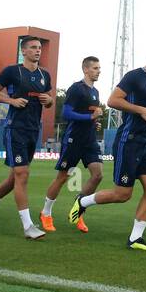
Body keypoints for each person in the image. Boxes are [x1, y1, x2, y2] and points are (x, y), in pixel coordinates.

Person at [68, 43, 146, 251]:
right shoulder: (133, 76)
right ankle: (83, 202)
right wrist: (142, 110)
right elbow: (112, 101)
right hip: (129, 140)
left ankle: (135, 239)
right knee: (122, 194)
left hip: (145, 141)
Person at [0, 36, 53, 239]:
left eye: (39, 48)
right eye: (33, 47)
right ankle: (28, 226)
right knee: (22, 174)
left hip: (33, 131)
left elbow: (48, 102)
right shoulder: (12, 71)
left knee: (14, 178)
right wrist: (11, 101)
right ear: (24, 51)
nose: (38, 51)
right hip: (15, 129)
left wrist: (49, 100)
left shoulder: (45, 75)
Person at [40, 56, 104, 233]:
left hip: (90, 139)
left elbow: (88, 115)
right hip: (74, 139)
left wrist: (94, 122)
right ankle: (45, 213)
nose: (99, 71)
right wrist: (89, 117)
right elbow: (67, 113)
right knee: (63, 178)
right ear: (86, 69)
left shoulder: (95, 92)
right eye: (95, 68)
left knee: (97, 175)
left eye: (99, 68)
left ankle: (78, 210)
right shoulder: (76, 89)